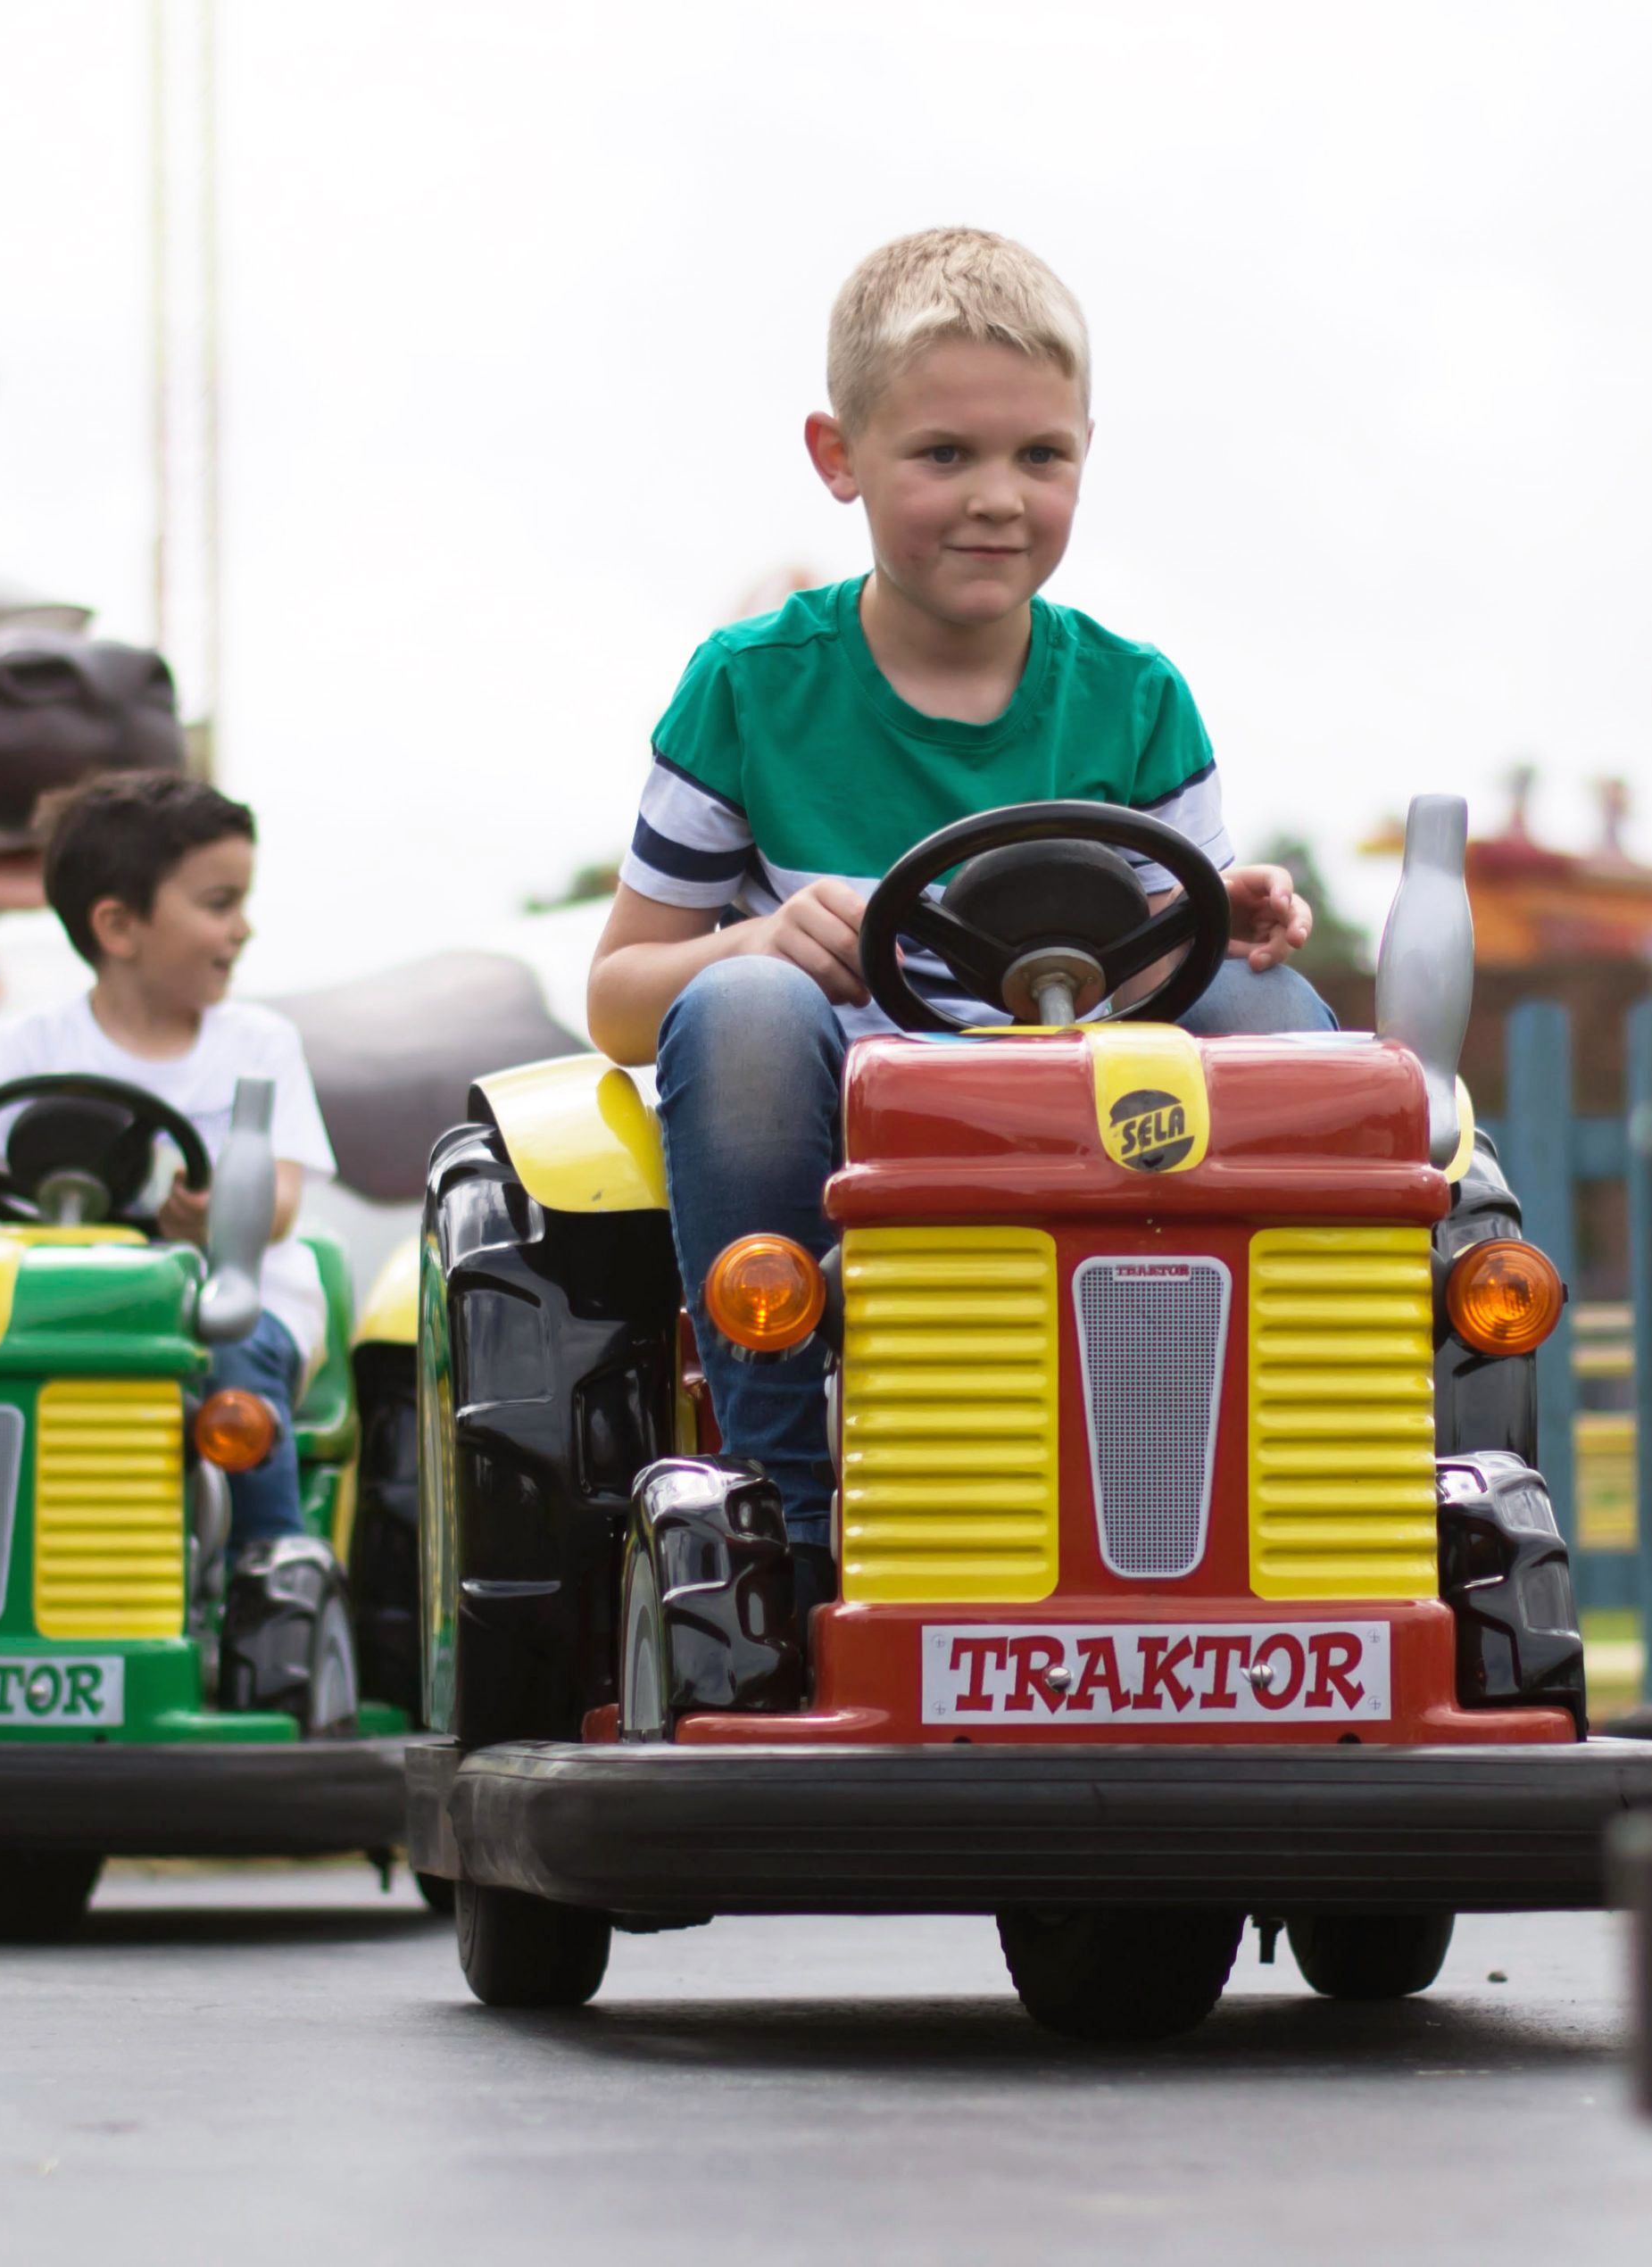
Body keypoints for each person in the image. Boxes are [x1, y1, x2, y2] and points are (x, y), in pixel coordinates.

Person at [585, 226, 1334, 1605]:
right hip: (839, 1127)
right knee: (740, 1005)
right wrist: (755, 938)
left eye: (1039, 458)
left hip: (1089, 1117)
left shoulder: (1134, 696)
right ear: (839, 458)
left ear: (1085, 456)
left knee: (1274, 1017)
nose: (998, 498)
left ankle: (1309, 1478)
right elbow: (621, 993)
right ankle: (785, 1523)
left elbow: (1181, 964)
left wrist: (1224, 916)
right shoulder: (752, 688)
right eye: (944, 456)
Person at [0, 772, 336, 1547]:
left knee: (228, 1364)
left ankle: (272, 1561)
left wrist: (214, 1218)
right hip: (73, 1304)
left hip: (231, 1301)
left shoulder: (257, 1045)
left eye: (240, 903)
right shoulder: (34, 1044)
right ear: (121, 927)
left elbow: (283, 1200)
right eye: (219, 904)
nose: (243, 929)